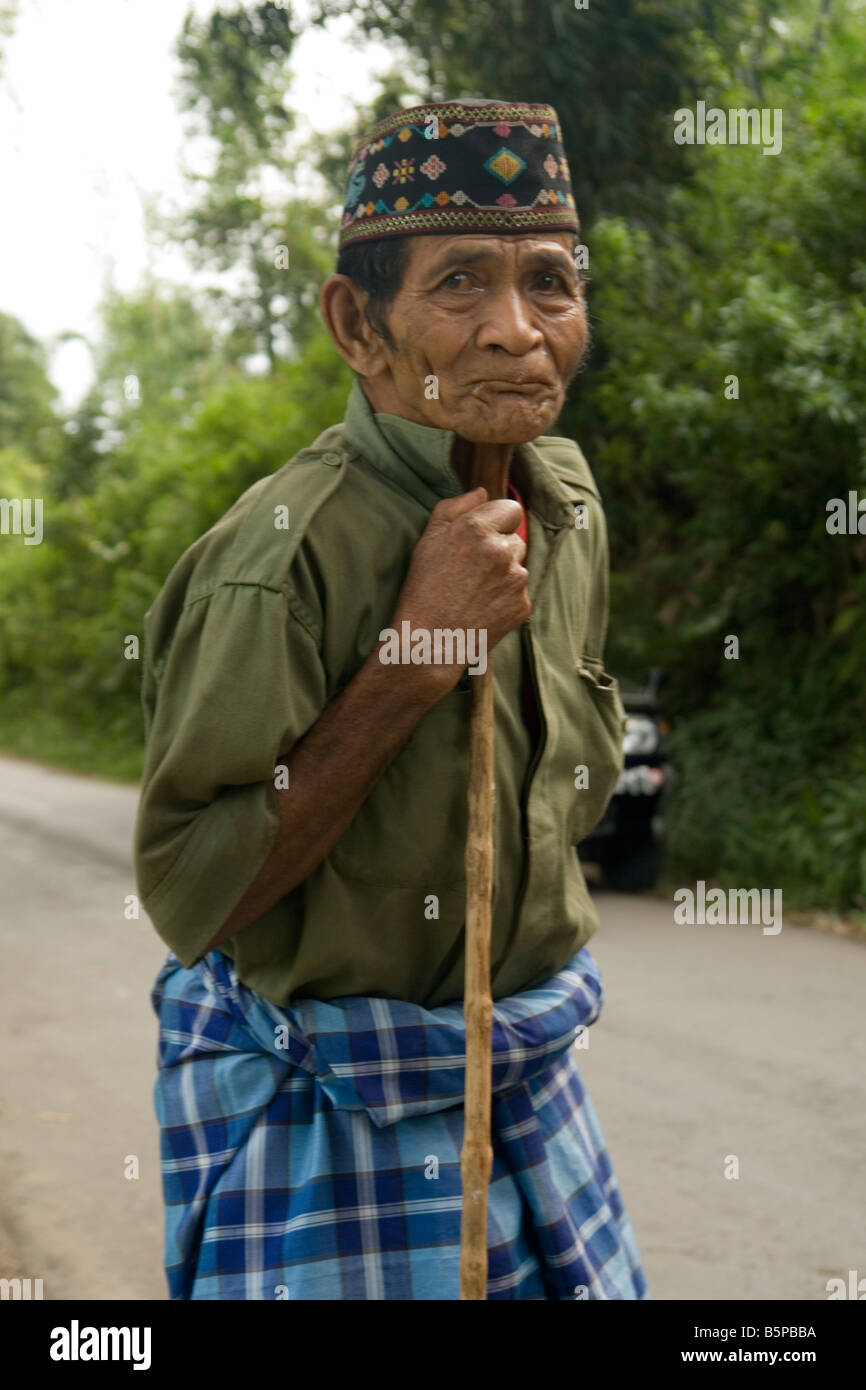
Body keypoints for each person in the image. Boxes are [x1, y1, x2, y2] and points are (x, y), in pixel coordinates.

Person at [134, 97, 649, 1300]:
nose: (516, 332)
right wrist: (416, 654)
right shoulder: (282, 558)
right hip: (334, 1125)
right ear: (356, 324)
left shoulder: (563, 500)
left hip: (524, 1087)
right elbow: (197, 895)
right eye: (460, 283)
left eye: (549, 284)